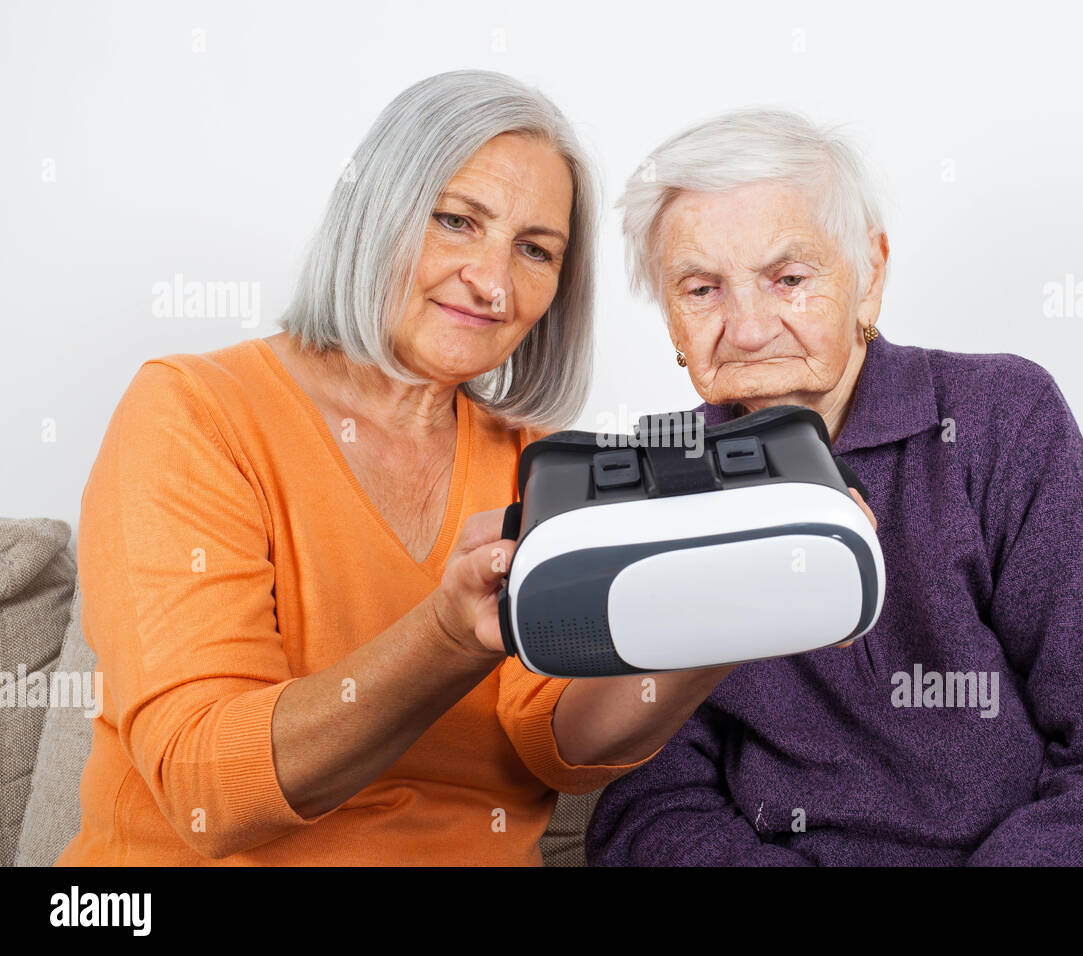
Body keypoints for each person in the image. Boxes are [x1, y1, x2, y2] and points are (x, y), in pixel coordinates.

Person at [57, 71, 792, 865]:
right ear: (374, 212)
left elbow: (555, 746)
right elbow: (211, 790)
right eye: (455, 221)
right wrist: (447, 635)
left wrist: (729, 609)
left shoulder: (534, 460)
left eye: (534, 250)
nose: (492, 282)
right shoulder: (194, 411)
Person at [586, 109, 1083, 865]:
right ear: (668, 317)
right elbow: (649, 810)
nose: (749, 328)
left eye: (789, 279)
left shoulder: (1000, 417)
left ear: (870, 276)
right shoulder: (664, 480)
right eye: (702, 289)